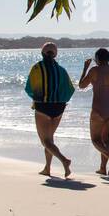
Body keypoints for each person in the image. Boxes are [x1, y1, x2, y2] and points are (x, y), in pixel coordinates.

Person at [23, 41, 74, 177]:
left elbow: (29, 88)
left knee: (45, 141)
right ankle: (47, 168)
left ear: (42, 53)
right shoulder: (61, 70)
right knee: (50, 139)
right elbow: (70, 90)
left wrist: (38, 98)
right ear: (55, 55)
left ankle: (64, 160)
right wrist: (59, 100)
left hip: (43, 108)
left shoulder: (37, 68)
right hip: (59, 108)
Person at [78, 47, 109, 175]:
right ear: (108, 58)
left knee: (95, 140)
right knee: (105, 139)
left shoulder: (94, 70)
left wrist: (85, 69)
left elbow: (81, 86)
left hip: (99, 108)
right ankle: (103, 168)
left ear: (97, 59)